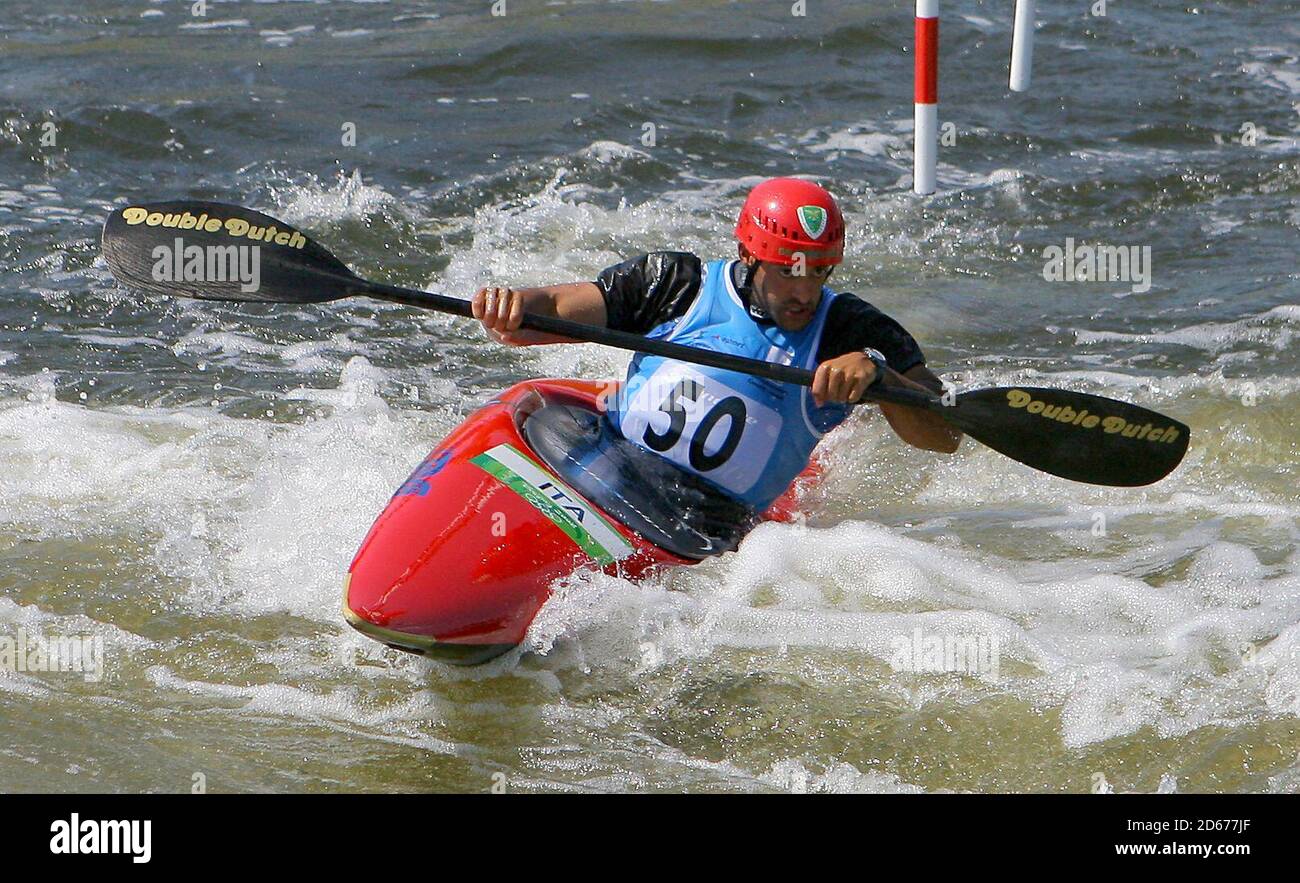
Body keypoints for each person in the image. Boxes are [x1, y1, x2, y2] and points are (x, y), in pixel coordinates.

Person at [471, 177, 962, 550]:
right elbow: (546, 314)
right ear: (750, 254)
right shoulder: (675, 284)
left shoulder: (851, 330)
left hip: (703, 531)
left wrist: (881, 375)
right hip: (607, 474)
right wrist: (510, 307)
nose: (805, 291)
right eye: (789, 270)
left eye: (819, 271)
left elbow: (944, 434)